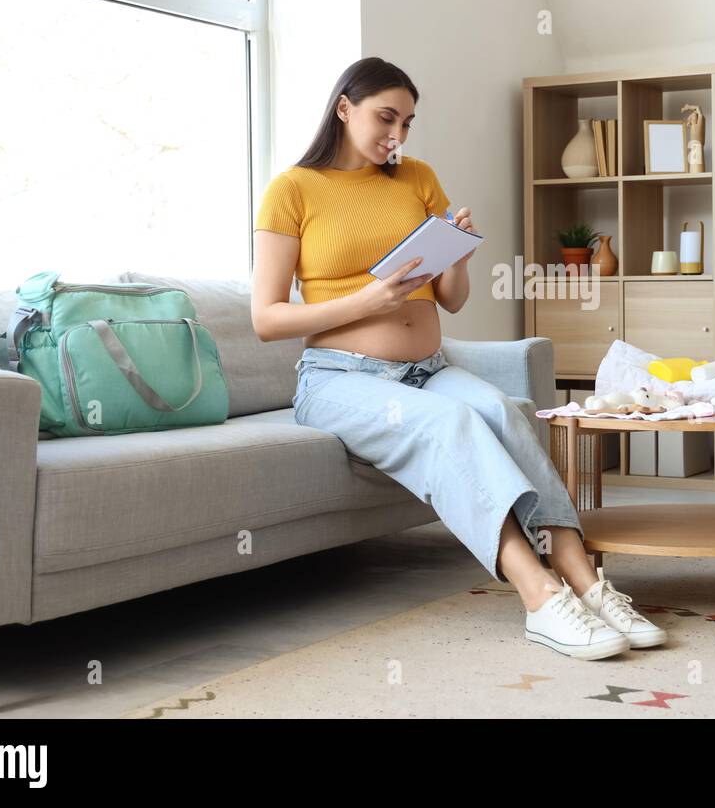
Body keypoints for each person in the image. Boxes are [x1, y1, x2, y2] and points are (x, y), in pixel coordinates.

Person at [250, 56, 665, 660]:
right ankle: (540, 597)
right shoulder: (292, 189)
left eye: (408, 123)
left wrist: (458, 257)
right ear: (344, 107)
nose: (397, 136)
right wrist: (366, 298)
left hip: (429, 369)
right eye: (385, 118)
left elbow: (452, 299)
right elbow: (265, 319)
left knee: (505, 410)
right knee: (453, 424)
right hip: (340, 379)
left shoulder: (415, 177)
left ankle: (589, 583)